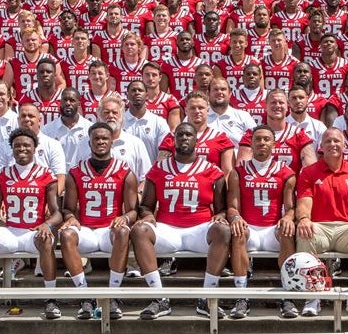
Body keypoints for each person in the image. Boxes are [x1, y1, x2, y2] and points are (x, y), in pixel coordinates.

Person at [132, 123, 229, 319]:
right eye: (180, 135)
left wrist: (221, 215)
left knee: (223, 231)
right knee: (139, 230)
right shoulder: (159, 169)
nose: (184, 138)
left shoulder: (212, 170)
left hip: (199, 229)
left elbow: (222, 208)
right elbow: (145, 205)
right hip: (167, 229)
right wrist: (147, 215)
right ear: (173, 139)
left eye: (188, 134)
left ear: (196, 140)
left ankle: (208, 298)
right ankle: (159, 297)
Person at [0, 128, 63, 319]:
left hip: (33, 232)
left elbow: (57, 213)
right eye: (17, 146)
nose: (22, 149)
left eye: (26, 145)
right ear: (11, 149)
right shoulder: (3, 176)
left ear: (35, 149)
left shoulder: (46, 175)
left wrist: (48, 224)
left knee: (47, 239)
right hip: (11, 230)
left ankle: (51, 299)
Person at [59, 122, 138, 321]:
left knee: (123, 231)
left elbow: (133, 211)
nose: (101, 142)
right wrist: (70, 218)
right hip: (86, 229)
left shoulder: (125, 172)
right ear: (90, 142)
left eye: (105, 138)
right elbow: (67, 207)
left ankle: (113, 295)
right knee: (66, 234)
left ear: (112, 141)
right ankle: (85, 295)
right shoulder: (76, 172)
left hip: (109, 231)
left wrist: (125, 217)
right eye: (96, 138)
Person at [294, 128, 348, 317]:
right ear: (321, 147)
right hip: (320, 227)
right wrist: (304, 219)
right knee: (304, 231)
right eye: (328, 141)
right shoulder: (309, 172)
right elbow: (304, 203)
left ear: (344, 146)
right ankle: (312, 297)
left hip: (347, 228)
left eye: (337, 141)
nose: (332, 144)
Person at [227, 125, 298, 318]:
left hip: (272, 229)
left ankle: (287, 294)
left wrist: (288, 217)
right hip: (249, 228)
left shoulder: (286, 172)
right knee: (238, 231)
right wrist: (236, 217)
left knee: (287, 230)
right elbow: (232, 206)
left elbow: (291, 207)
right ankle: (241, 295)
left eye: (267, 139)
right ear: (250, 143)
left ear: (274, 144)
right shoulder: (238, 172)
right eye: (258, 139)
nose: (262, 143)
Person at [42, 87, 93, 168]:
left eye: (72, 100)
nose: (68, 103)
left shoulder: (90, 129)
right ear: (60, 102)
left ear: (79, 104)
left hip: (80, 177)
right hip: (56, 176)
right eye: (65, 100)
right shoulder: (47, 130)